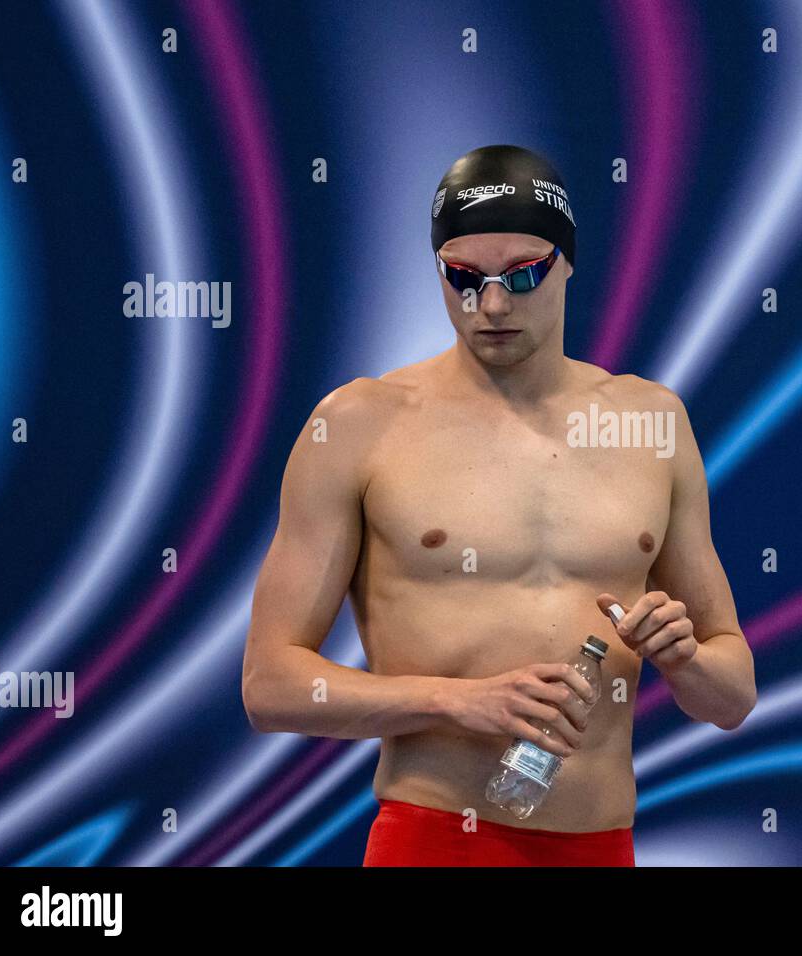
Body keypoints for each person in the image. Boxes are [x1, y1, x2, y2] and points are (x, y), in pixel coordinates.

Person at [241, 144, 756, 866]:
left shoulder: (651, 422)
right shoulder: (359, 424)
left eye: (522, 275)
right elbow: (271, 685)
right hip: (435, 840)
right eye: (464, 279)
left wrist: (687, 661)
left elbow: (731, 697)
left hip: (600, 845)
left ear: (568, 262)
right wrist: (455, 702)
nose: (491, 305)